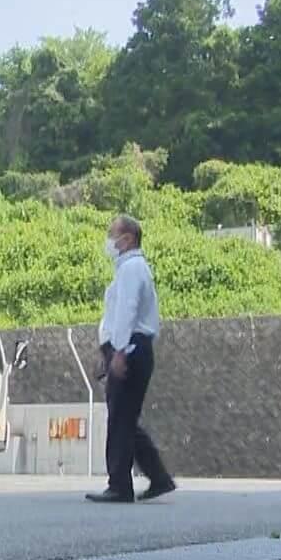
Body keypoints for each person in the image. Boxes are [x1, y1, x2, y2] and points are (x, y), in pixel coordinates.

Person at [87, 214, 176, 504]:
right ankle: (158, 477)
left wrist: (119, 351)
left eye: (112, 234)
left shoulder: (131, 268)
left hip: (130, 347)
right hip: (130, 347)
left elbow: (127, 311)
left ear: (127, 239)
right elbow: (118, 316)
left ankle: (119, 485)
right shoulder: (130, 268)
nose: (109, 241)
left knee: (120, 420)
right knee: (125, 419)